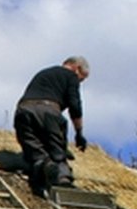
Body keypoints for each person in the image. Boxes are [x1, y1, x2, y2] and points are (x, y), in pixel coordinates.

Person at [13, 56, 89, 197]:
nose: (79, 82)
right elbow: (75, 105)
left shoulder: (44, 73)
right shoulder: (71, 76)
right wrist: (79, 133)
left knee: (37, 155)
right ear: (76, 68)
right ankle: (62, 179)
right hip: (48, 112)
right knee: (57, 153)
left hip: (23, 112)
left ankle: (43, 170)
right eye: (81, 79)